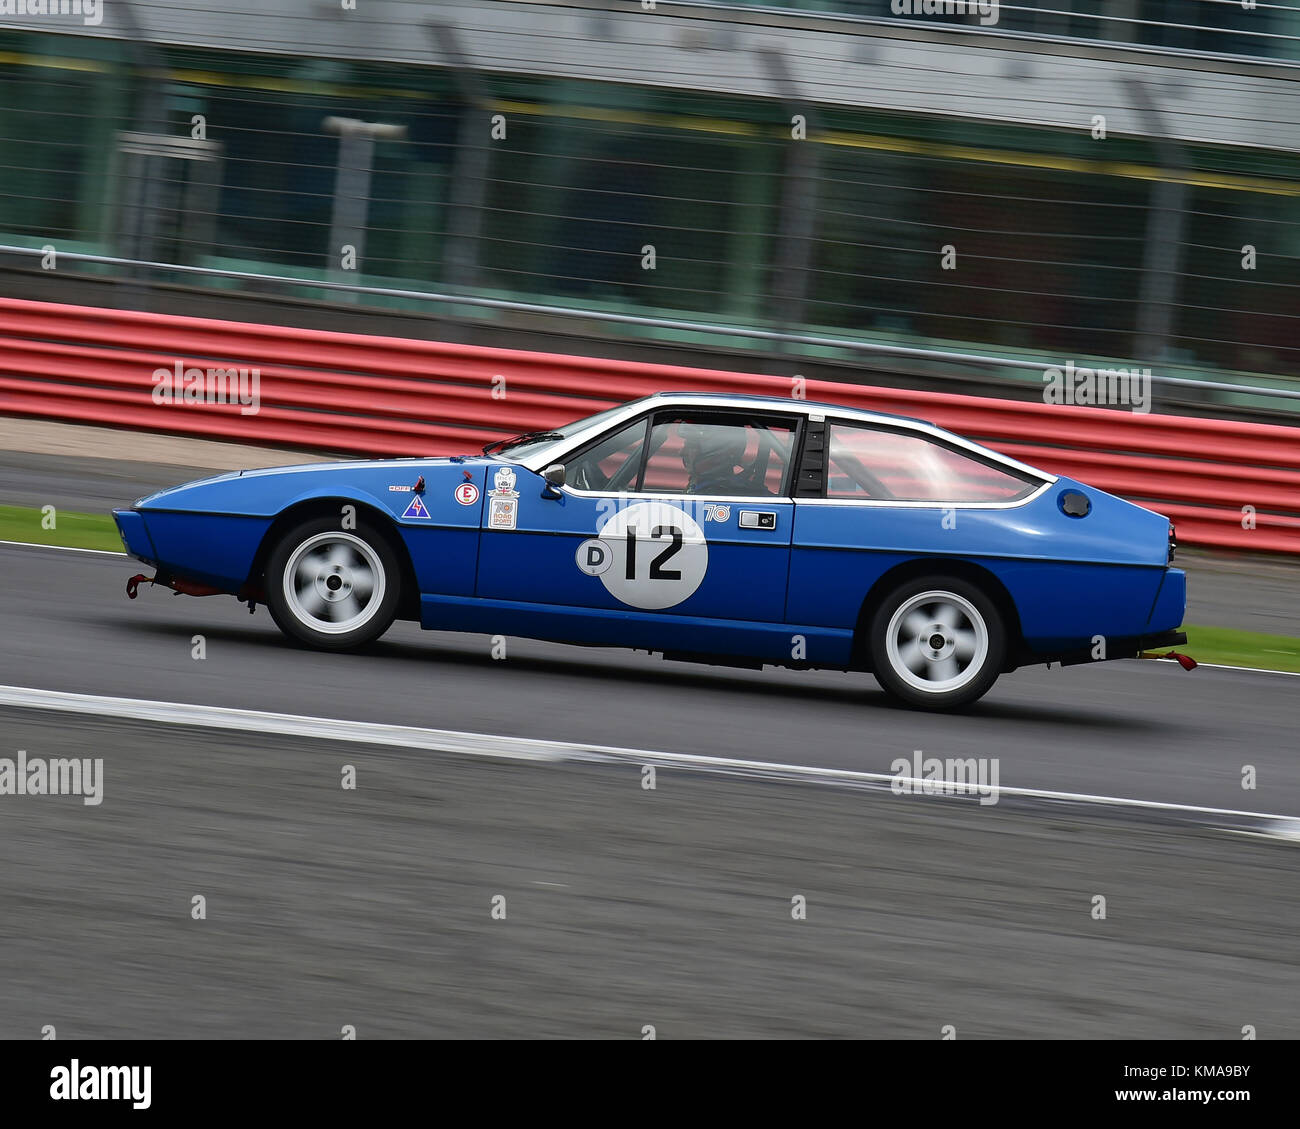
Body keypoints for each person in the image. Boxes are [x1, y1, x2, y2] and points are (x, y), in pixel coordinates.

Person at [679, 422, 752, 495]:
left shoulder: (722, 494)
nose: (681, 452)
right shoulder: (701, 485)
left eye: (691, 446)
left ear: (718, 453)